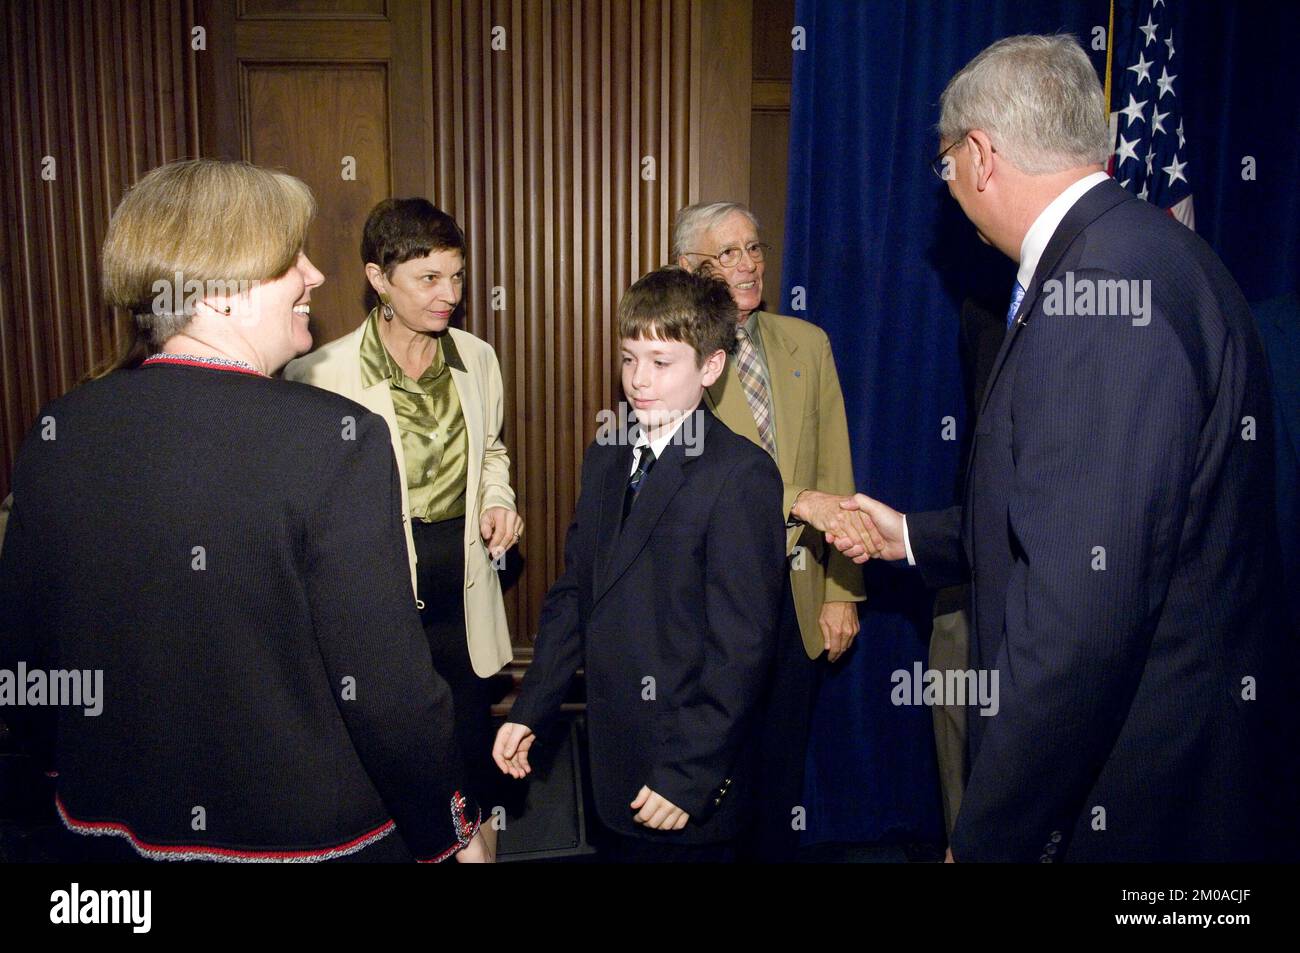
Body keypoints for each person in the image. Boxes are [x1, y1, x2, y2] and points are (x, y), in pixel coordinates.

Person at [833, 34, 1296, 862]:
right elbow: (1078, 516)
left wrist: (990, 832)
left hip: (1138, 799)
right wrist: (905, 534)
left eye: (945, 167)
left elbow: (1082, 618)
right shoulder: (1141, 253)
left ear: (980, 155)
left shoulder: (1099, 295)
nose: (948, 192)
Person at [0, 159, 486, 862]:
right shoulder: (334, 441)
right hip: (310, 843)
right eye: (292, 258)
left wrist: (61, 776)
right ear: (222, 291)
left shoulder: (57, 432)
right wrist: (452, 832)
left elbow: (26, 660)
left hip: (101, 841)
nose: (316, 276)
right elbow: (389, 696)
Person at [492, 267, 787, 862]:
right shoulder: (606, 452)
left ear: (710, 368)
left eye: (660, 362)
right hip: (613, 759)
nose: (637, 381)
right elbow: (577, 592)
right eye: (629, 359)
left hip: (685, 775)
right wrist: (533, 708)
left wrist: (690, 774)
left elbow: (743, 650)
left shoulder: (742, 474)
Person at [284, 198, 520, 859]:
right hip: (375, 591)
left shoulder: (477, 357)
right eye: (429, 278)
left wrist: (498, 497)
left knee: (468, 752)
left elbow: (493, 449)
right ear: (379, 278)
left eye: (458, 276)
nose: (450, 295)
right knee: (389, 752)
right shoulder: (318, 375)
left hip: (464, 593)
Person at [673, 201, 866, 860]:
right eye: (728, 253)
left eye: (753, 247)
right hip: (711, 600)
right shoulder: (673, 354)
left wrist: (843, 589)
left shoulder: (807, 344)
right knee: (717, 771)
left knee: (782, 775)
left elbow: (834, 468)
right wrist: (797, 499)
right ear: (689, 267)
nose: (749, 263)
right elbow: (684, 473)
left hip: (797, 595)